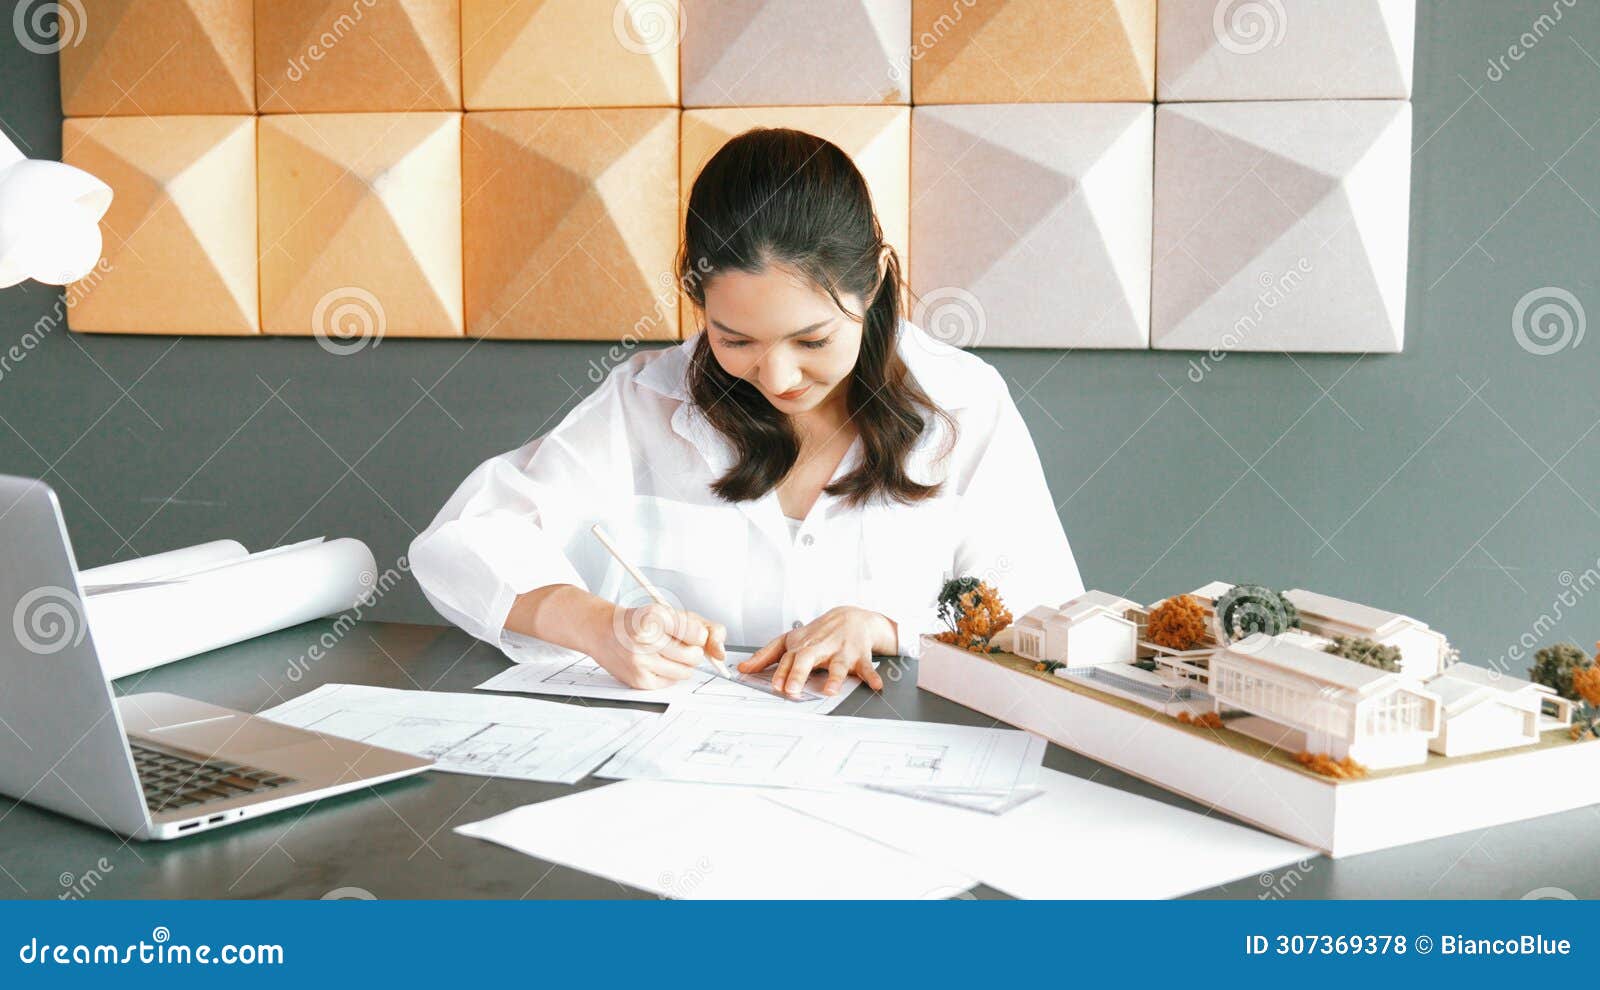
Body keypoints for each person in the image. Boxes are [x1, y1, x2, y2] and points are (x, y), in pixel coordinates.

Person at [409, 127, 1084, 698]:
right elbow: (465, 540)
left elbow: (1044, 619)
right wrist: (599, 626)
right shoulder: (650, 398)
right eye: (735, 341)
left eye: (813, 340)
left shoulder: (963, 405)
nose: (778, 377)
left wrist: (887, 630)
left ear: (874, 280)